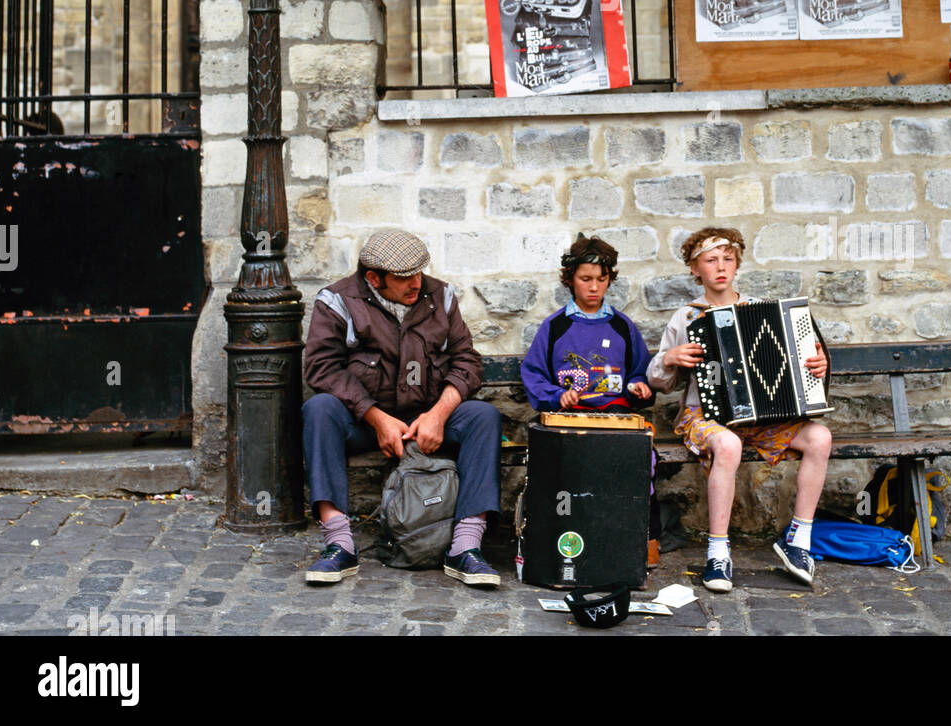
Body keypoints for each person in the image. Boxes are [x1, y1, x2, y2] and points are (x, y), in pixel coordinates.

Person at [301, 227, 502, 587]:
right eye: (404, 278)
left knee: (484, 417)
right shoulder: (337, 301)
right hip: (365, 419)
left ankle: (466, 547)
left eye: (419, 273)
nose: (416, 283)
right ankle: (339, 543)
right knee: (319, 410)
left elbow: (468, 363)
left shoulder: (440, 297)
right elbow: (321, 368)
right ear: (373, 278)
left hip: (427, 417)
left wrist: (439, 415)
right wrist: (376, 418)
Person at [646, 226, 831, 591]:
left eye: (728, 259)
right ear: (695, 269)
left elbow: (804, 359)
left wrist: (817, 365)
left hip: (759, 419)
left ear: (737, 265)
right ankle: (718, 553)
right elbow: (659, 382)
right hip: (703, 415)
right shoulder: (686, 318)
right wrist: (670, 358)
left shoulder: (759, 311)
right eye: (711, 260)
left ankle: (798, 540)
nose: (721, 267)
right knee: (727, 445)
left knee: (820, 437)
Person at [520, 234, 652, 411]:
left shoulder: (623, 326)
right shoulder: (555, 326)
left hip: (615, 413)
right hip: (567, 413)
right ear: (570, 279)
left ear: (609, 280)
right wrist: (558, 396)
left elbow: (639, 371)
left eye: (601, 279)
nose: (594, 287)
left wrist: (638, 386)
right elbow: (534, 374)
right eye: (586, 279)